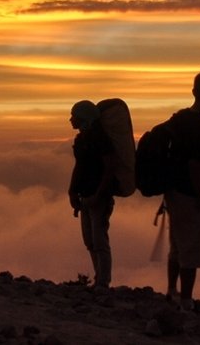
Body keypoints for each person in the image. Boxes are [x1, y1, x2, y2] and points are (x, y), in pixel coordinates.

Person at [164, 70, 200, 308]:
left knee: (177, 244)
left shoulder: (178, 119)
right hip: (189, 193)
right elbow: (195, 164)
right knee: (191, 248)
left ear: (194, 91)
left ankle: (171, 291)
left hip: (173, 190)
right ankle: (186, 301)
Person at [68, 100, 117, 287]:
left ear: (84, 117)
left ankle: (103, 282)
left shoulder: (100, 139)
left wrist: (99, 194)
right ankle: (100, 280)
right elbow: (79, 166)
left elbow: (110, 167)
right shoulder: (82, 140)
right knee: (90, 241)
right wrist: (72, 192)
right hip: (87, 195)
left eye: (74, 115)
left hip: (99, 197)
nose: (71, 119)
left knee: (99, 241)